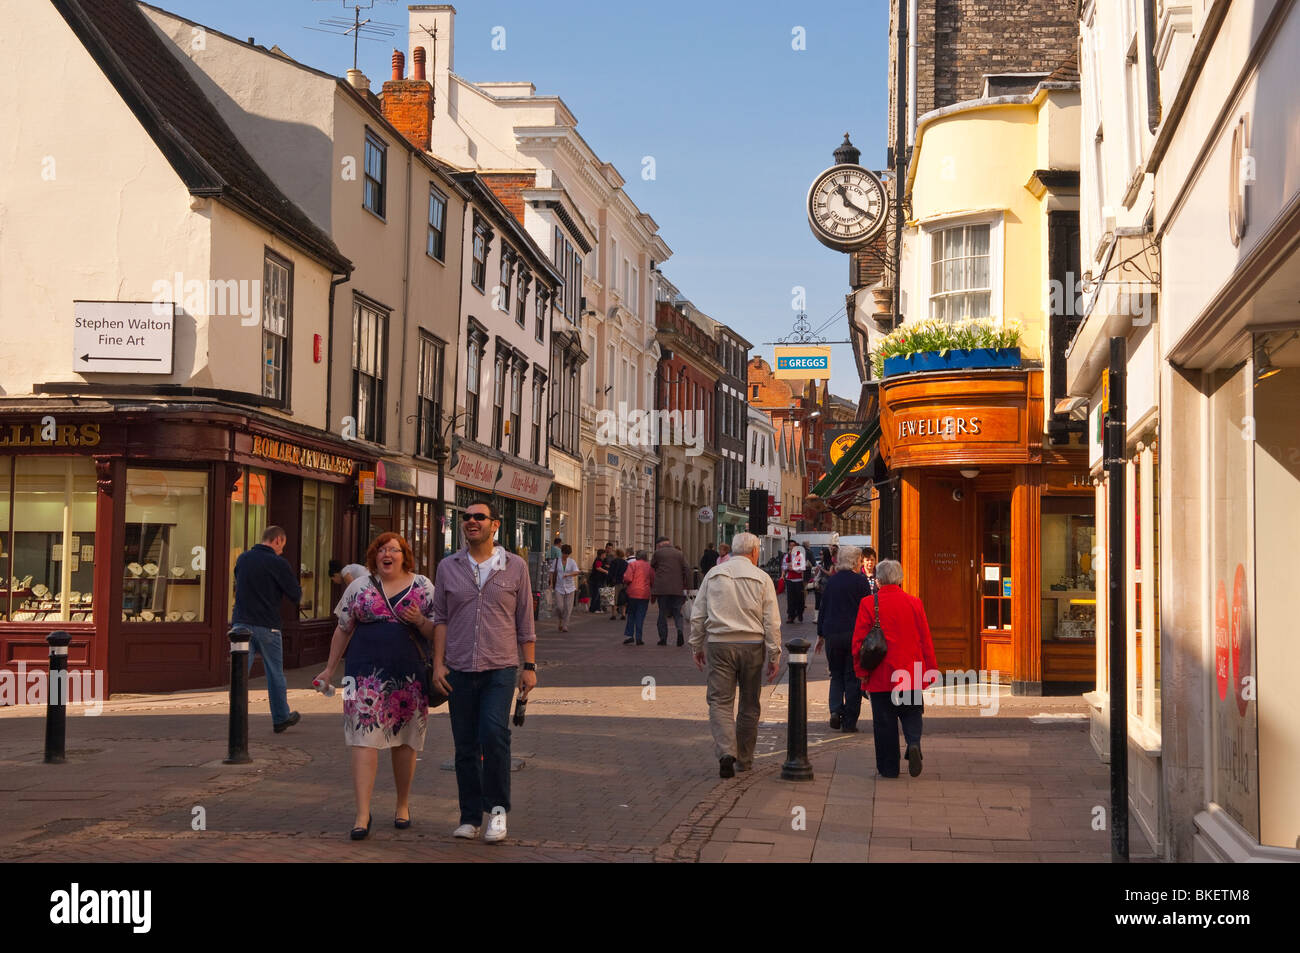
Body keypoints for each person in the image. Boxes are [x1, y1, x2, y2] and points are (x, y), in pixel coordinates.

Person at [315, 533, 435, 839]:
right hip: (363, 677)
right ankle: (362, 813)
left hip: (408, 677)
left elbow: (438, 631)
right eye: (382, 549)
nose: (387, 554)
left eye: (394, 549)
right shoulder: (360, 587)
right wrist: (329, 669)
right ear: (374, 556)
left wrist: (420, 620)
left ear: (404, 556)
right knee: (362, 740)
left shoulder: (423, 586)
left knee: (406, 742)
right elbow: (343, 629)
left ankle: (403, 804)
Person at [431, 499, 537, 843]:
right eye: (466, 517)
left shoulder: (515, 567)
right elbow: (441, 619)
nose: (471, 521)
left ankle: (497, 813)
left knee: (493, 735)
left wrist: (530, 666)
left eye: (479, 517)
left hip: (500, 667)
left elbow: (525, 620)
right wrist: (438, 664)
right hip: (459, 668)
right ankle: (469, 816)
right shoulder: (448, 567)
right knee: (464, 745)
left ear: (495, 525)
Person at [689, 532, 782, 777]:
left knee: (720, 701)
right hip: (752, 645)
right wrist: (774, 655)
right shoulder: (762, 578)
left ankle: (726, 751)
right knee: (749, 704)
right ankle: (744, 759)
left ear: (731, 551)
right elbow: (771, 621)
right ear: (753, 552)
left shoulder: (713, 574)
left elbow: (698, 614)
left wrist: (696, 645)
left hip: (720, 644)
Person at [851, 559, 938, 778]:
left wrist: (861, 672)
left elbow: (859, 643)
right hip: (910, 671)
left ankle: (889, 768)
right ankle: (914, 742)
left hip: (881, 674)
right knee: (911, 711)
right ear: (900, 579)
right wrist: (931, 669)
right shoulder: (914, 603)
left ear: (878, 581)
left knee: (884, 723)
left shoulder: (868, 604)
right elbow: (925, 639)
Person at [232, 525, 302, 733]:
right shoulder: (278, 563)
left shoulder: (243, 559)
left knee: (239, 672)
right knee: (274, 673)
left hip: (240, 624)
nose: (282, 550)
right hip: (267, 626)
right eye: (283, 546)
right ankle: (280, 717)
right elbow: (295, 594)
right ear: (278, 540)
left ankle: (236, 718)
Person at [814, 545, 873, 733]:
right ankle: (849, 721)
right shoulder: (861, 582)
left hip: (832, 634)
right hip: (854, 635)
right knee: (853, 677)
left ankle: (835, 709)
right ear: (856, 561)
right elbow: (867, 611)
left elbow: (823, 608)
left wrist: (820, 635)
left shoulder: (832, 581)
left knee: (836, 674)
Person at [650, 535, 689, 646]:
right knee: (677, 612)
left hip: (662, 588)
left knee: (662, 613)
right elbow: (687, 569)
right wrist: (689, 587)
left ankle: (663, 638)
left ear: (659, 544)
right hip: (677, 588)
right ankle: (680, 631)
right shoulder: (679, 553)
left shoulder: (658, 553)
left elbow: (652, 565)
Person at [622, 551, 653, 645]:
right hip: (644, 593)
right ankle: (639, 637)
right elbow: (653, 579)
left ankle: (630, 635)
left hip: (633, 592)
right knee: (640, 615)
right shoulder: (649, 566)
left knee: (631, 614)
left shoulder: (632, 564)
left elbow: (627, 578)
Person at [554, 544, 580, 632]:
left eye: (568, 554)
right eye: (565, 553)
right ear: (562, 552)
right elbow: (551, 572)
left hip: (570, 587)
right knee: (559, 607)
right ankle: (560, 619)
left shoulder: (572, 562)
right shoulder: (556, 561)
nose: (566, 555)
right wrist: (550, 583)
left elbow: (576, 571)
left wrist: (569, 574)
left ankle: (565, 625)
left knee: (568, 608)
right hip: (559, 587)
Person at [782, 540, 807, 623]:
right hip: (789, 580)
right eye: (790, 545)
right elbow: (784, 566)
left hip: (798, 580)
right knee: (790, 599)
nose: (792, 547)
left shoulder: (799, 556)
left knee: (799, 599)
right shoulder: (787, 556)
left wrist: (792, 567)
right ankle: (791, 616)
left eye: (793, 546)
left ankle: (800, 613)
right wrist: (792, 566)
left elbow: (801, 568)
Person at [607, 548, 629, 621]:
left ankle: (613, 614)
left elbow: (610, 573)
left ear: (617, 554)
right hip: (624, 583)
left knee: (614, 598)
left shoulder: (614, 562)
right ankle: (623, 614)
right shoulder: (626, 563)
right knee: (623, 598)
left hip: (615, 582)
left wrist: (609, 581)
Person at [588, 548, 608, 613]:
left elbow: (602, 566)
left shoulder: (601, 560)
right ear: (602, 554)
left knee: (598, 594)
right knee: (596, 594)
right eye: (604, 554)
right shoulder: (598, 560)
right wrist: (606, 571)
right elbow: (598, 568)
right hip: (596, 580)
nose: (605, 555)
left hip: (599, 580)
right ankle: (594, 609)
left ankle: (597, 608)